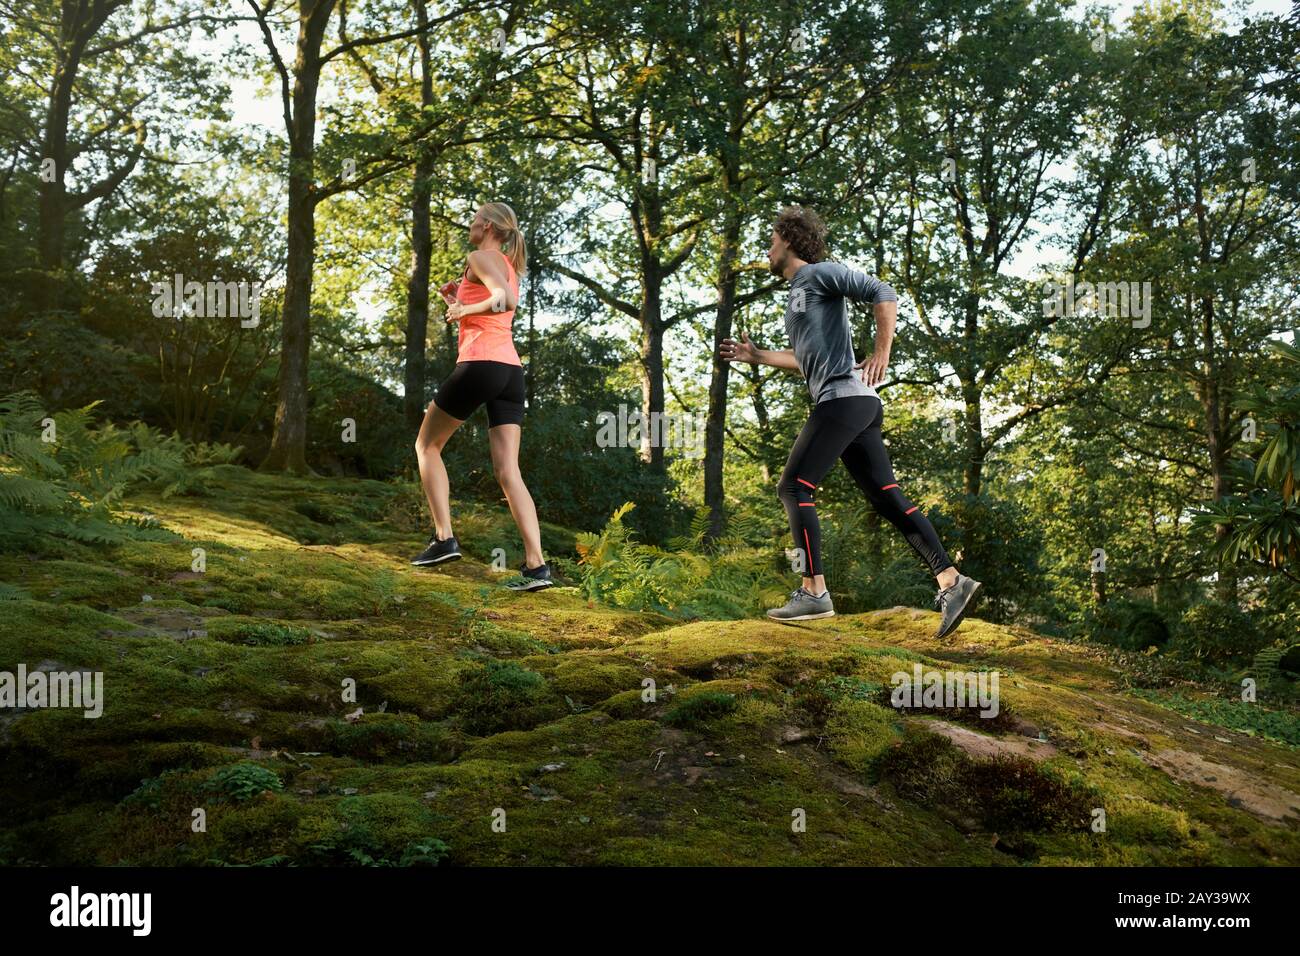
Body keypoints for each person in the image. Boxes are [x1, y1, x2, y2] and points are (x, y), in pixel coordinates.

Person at [720, 206, 980, 637]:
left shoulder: (819, 273)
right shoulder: (798, 295)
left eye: (771, 239)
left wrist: (882, 353)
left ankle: (813, 591)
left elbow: (883, 290)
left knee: (793, 488)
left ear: (787, 239)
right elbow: (808, 361)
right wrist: (759, 356)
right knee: (887, 498)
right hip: (855, 403)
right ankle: (952, 582)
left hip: (844, 401)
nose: (767, 248)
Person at [411, 202, 553, 591]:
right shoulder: (506, 263)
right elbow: (495, 304)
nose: (470, 226)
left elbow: (506, 301)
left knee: (427, 446)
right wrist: (458, 301)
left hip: (481, 364)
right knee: (509, 471)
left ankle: (444, 538)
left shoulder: (481, 255)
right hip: (510, 372)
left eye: (474, 220)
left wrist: (464, 308)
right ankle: (536, 567)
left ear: (487, 226)